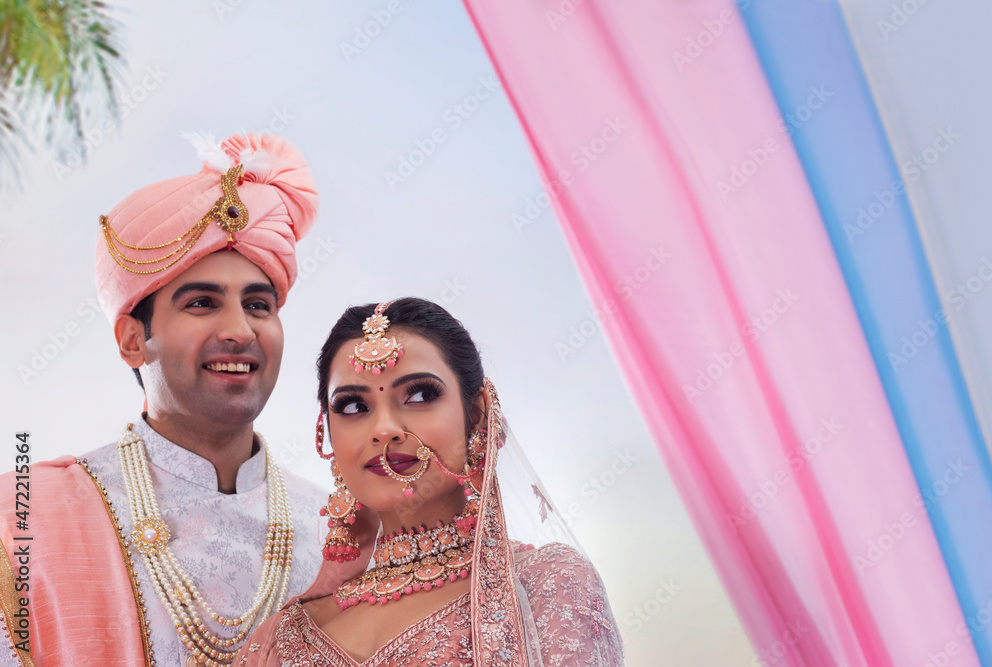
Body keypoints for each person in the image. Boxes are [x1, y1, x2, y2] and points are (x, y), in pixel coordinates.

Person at [0, 132, 330, 666]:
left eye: (259, 305)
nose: (240, 330)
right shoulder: (23, 518)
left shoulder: (334, 530)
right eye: (202, 303)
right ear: (133, 340)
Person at [235, 298, 625, 666]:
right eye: (354, 406)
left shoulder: (545, 583)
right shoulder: (281, 638)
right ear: (329, 435)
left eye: (420, 395)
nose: (384, 429)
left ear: (474, 415)